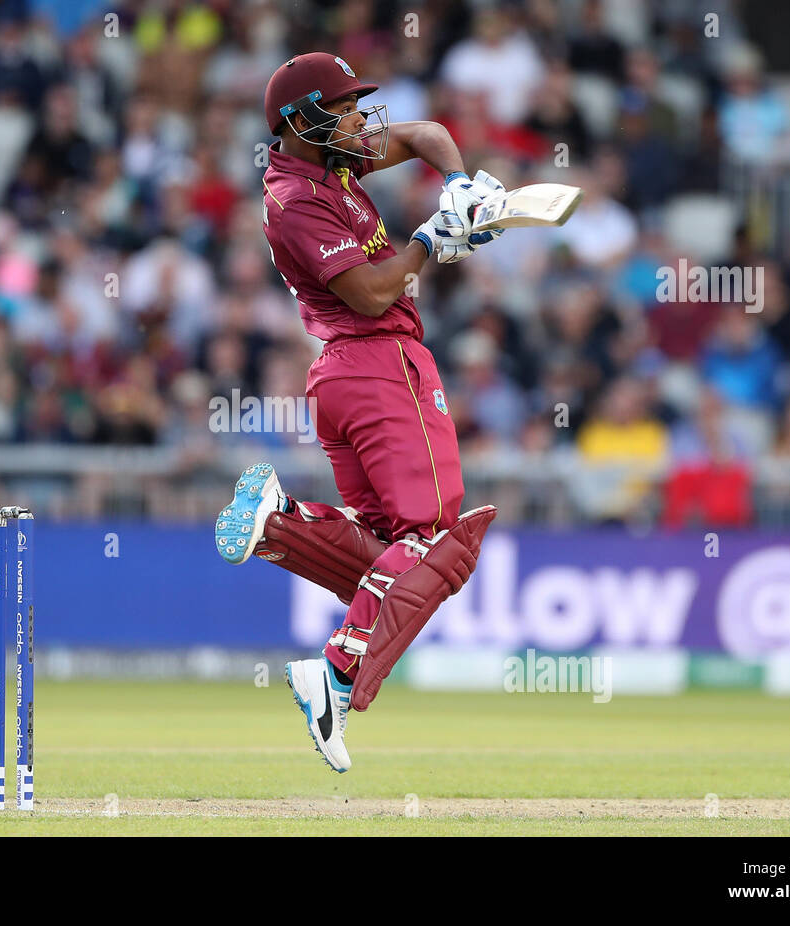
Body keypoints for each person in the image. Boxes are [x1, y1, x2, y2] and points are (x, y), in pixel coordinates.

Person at [213, 53, 500, 771]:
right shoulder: (296, 200)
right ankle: (336, 674)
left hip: (345, 375)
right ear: (296, 122)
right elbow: (373, 295)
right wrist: (435, 239)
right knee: (435, 536)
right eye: (339, 108)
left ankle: (281, 523)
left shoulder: (330, 160)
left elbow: (428, 133)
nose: (356, 120)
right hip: (377, 360)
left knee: (389, 548)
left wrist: (460, 187)